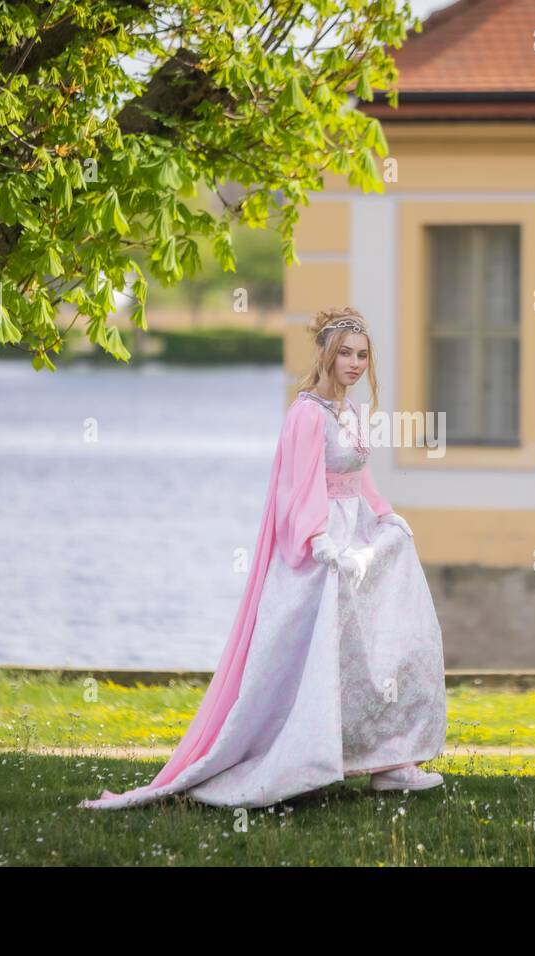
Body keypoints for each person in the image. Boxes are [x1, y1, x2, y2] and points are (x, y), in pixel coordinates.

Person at [77, 306, 447, 810]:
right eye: (345, 354)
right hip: (318, 543)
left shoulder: (354, 412)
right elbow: (298, 487)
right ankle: (297, 756)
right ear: (324, 354)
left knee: (370, 647)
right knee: (308, 656)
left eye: (362, 355)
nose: (355, 364)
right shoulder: (306, 414)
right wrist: (317, 539)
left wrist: (384, 516)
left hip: (353, 532)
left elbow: (361, 481)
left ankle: (387, 760)